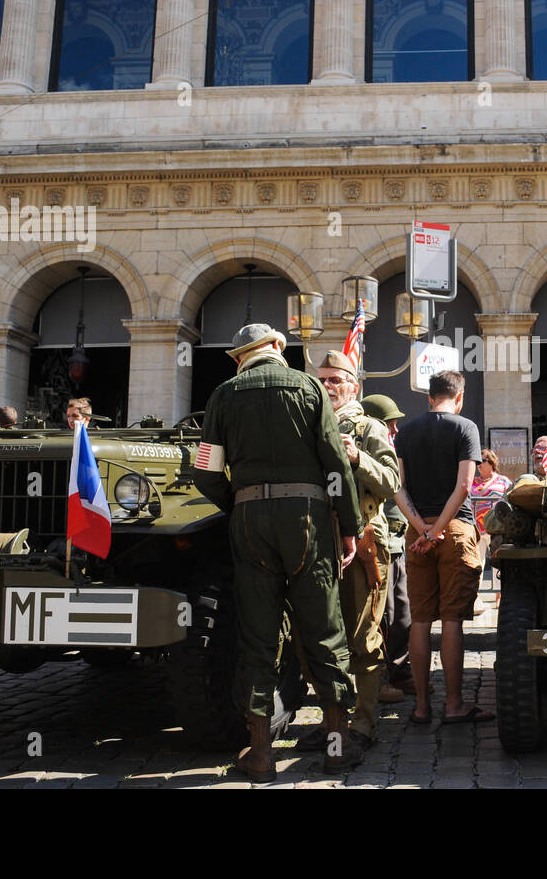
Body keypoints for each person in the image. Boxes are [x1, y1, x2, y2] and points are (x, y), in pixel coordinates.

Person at [192, 323, 365, 781]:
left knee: (257, 631)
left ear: (238, 358)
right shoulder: (310, 387)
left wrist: (241, 502)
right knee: (325, 626)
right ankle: (335, 746)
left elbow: (206, 471)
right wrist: (349, 526)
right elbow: (334, 461)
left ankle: (261, 754)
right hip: (308, 519)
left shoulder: (223, 395)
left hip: (249, 520)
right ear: (278, 349)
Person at [292, 351, 399, 754]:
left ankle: (363, 723)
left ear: (354, 386)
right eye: (322, 379)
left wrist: (357, 456)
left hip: (365, 544)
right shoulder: (306, 427)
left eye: (337, 379)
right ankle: (330, 719)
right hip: (316, 544)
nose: (329, 386)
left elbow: (391, 481)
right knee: (315, 636)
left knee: (362, 638)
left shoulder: (369, 427)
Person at [393, 370, 494, 725]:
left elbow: (397, 487)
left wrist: (421, 526)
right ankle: (454, 705)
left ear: (429, 397)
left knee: (420, 621)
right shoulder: (465, 428)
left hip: (417, 532)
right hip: (454, 528)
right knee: (452, 620)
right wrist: (438, 529)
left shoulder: (405, 432)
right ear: (460, 396)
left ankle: (421, 707)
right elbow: (465, 486)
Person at [362, 393, 415, 703]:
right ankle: (378, 678)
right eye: (390, 426)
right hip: (377, 543)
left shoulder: (388, 449)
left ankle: (399, 670)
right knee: (380, 617)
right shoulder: (368, 451)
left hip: (398, 542)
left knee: (401, 614)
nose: (395, 432)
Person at [471, 449, 511, 535]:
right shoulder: (471, 482)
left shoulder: (503, 481)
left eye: (483, 461)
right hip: (475, 528)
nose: (479, 464)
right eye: (477, 461)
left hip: (495, 525)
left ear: (492, 462)